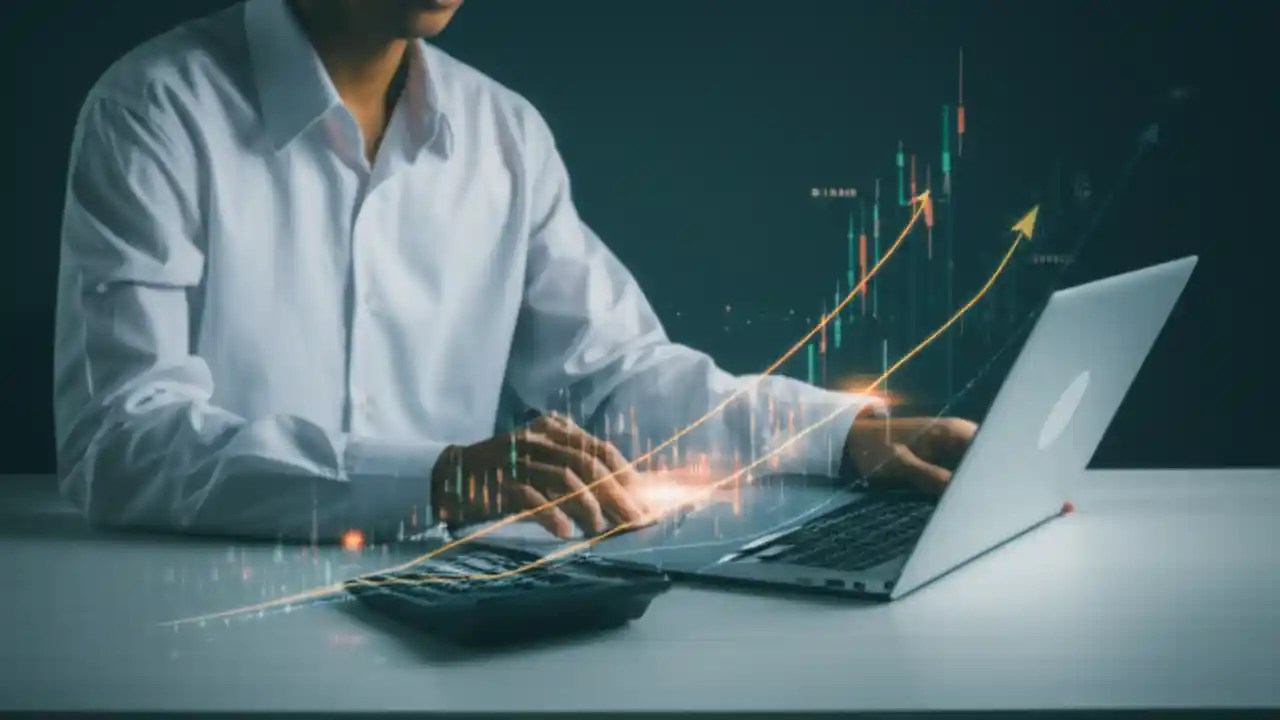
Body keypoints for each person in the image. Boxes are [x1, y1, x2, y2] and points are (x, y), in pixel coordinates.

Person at [54, 0, 976, 542]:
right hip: (197, 634)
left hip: (458, 619)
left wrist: (845, 437)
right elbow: (120, 444)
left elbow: (616, 376)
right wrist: (441, 479)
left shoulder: (503, 134)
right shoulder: (154, 113)